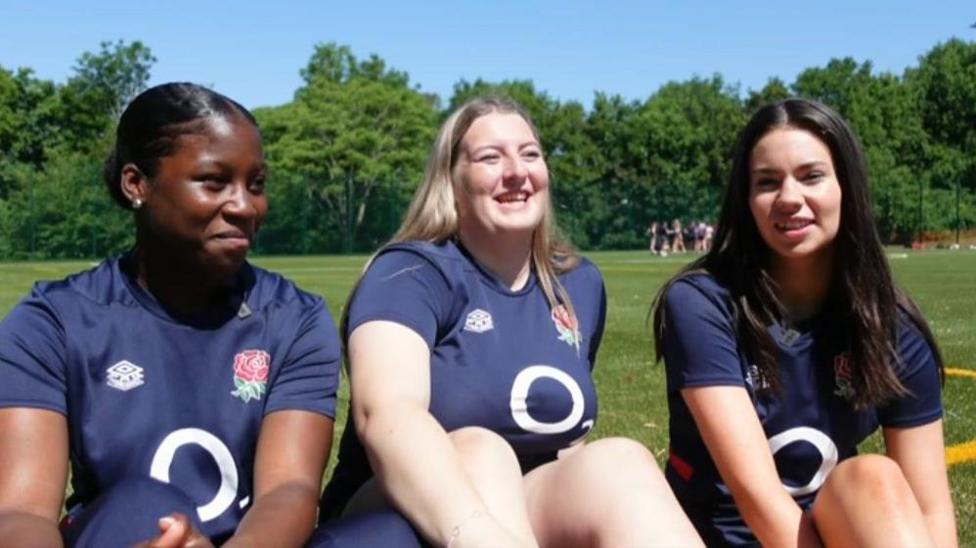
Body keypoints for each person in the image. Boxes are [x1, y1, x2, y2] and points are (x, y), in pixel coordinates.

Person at [315, 97, 702, 547]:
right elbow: (385, 416)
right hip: (394, 517)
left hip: (517, 507)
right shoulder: (408, 274)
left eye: (530, 154)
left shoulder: (577, 283)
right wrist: (482, 534)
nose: (516, 171)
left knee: (619, 461)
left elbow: (562, 440)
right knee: (482, 452)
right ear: (451, 180)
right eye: (490, 157)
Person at [0, 83, 341, 547]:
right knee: (146, 506)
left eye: (255, 184)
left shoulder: (293, 318)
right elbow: (21, 514)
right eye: (214, 181)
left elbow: (290, 490)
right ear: (136, 184)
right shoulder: (53, 322)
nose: (244, 206)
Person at [651, 98, 957, 547]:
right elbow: (758, 500)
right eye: (767, 182)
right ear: (747, 200)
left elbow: (931, 507)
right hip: (719, 536)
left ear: (845, 187)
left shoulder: (892, 324)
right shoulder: (702, 303)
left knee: (872, 477)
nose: (790, 198)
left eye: (812, 176)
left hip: (826, 528)